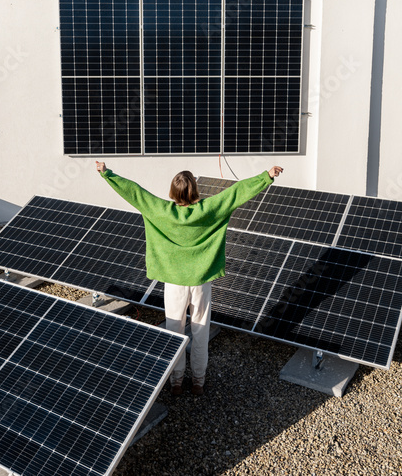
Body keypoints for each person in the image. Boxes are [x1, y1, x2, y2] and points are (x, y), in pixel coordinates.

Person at [96, 161, 283, 396]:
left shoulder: (159, 210)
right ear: (195, 190)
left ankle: (175, 382)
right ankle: (198, 381)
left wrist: (107, 174)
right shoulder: (209, 209)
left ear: (172, 193)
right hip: (201, 282)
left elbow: (134, 192)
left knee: (174, 331)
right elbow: (236, 193)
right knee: (201, 331)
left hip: (174, 283)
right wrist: (266, 176)